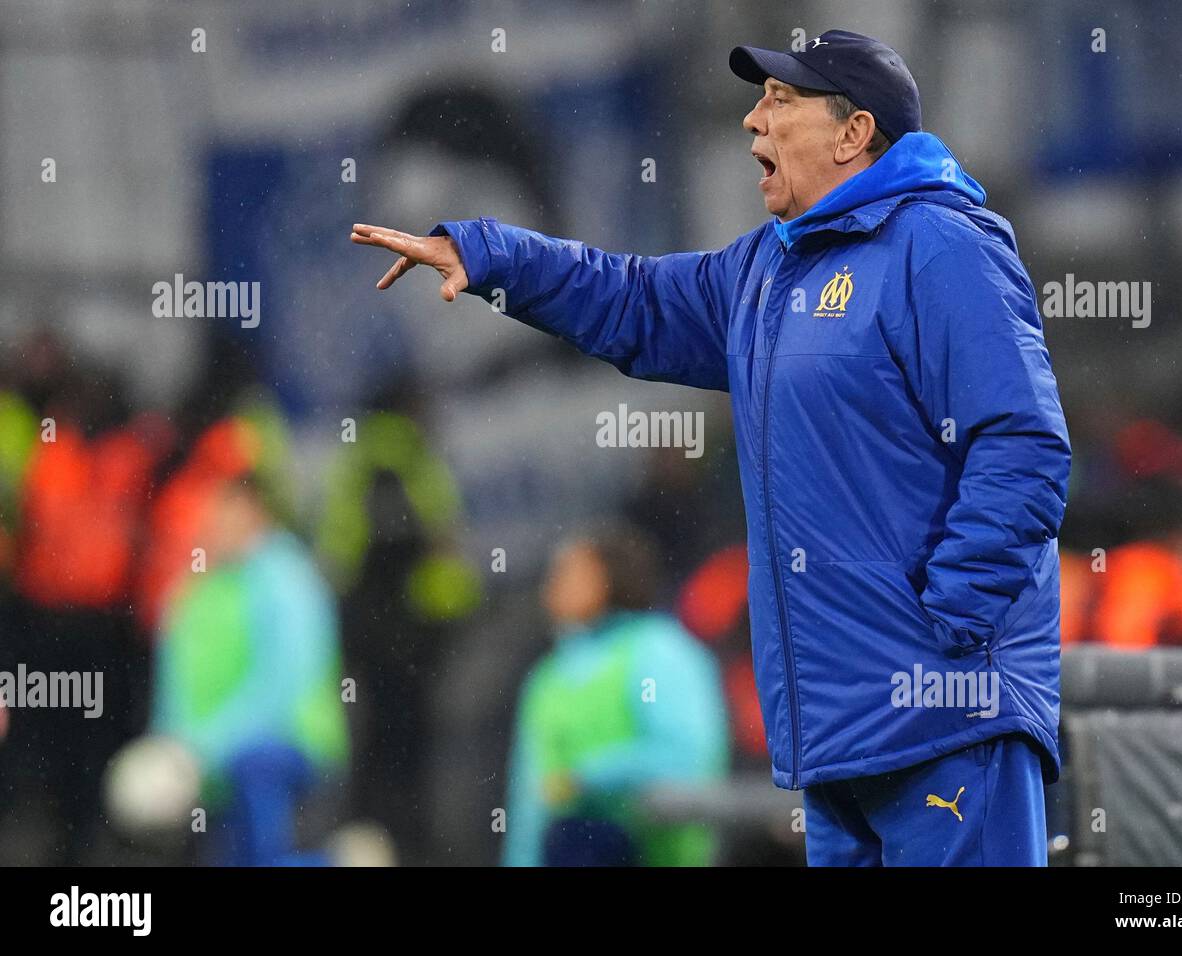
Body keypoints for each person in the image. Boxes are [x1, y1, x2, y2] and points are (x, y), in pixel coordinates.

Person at [353, 30, 1070, 866]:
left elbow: (1024, 445)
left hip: (945, 720)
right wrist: (487, 253)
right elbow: (630, 300)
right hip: (840, 740)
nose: (752, 121)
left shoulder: (941, 246)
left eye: (780, 101)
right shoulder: (765, 272)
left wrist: (944, 623)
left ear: (852, 133)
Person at [152, 472, 348, 866]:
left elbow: (283, 684)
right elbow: (178, 679)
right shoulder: (201, 585)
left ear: (253, 511)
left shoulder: (286, 577)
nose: (212, 524)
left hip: (281, 751)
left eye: (223, 512)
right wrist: (171, 748)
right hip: (212, 767)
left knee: (268, 856)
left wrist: (204, 745)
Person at [503, 529, 728, 866]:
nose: (554, 585)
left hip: (655, 853)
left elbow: (689, 756)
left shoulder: (660, 650)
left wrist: (588, 778)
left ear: (610, 575)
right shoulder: (547, 677)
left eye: (571, 571)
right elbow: (528, 803)